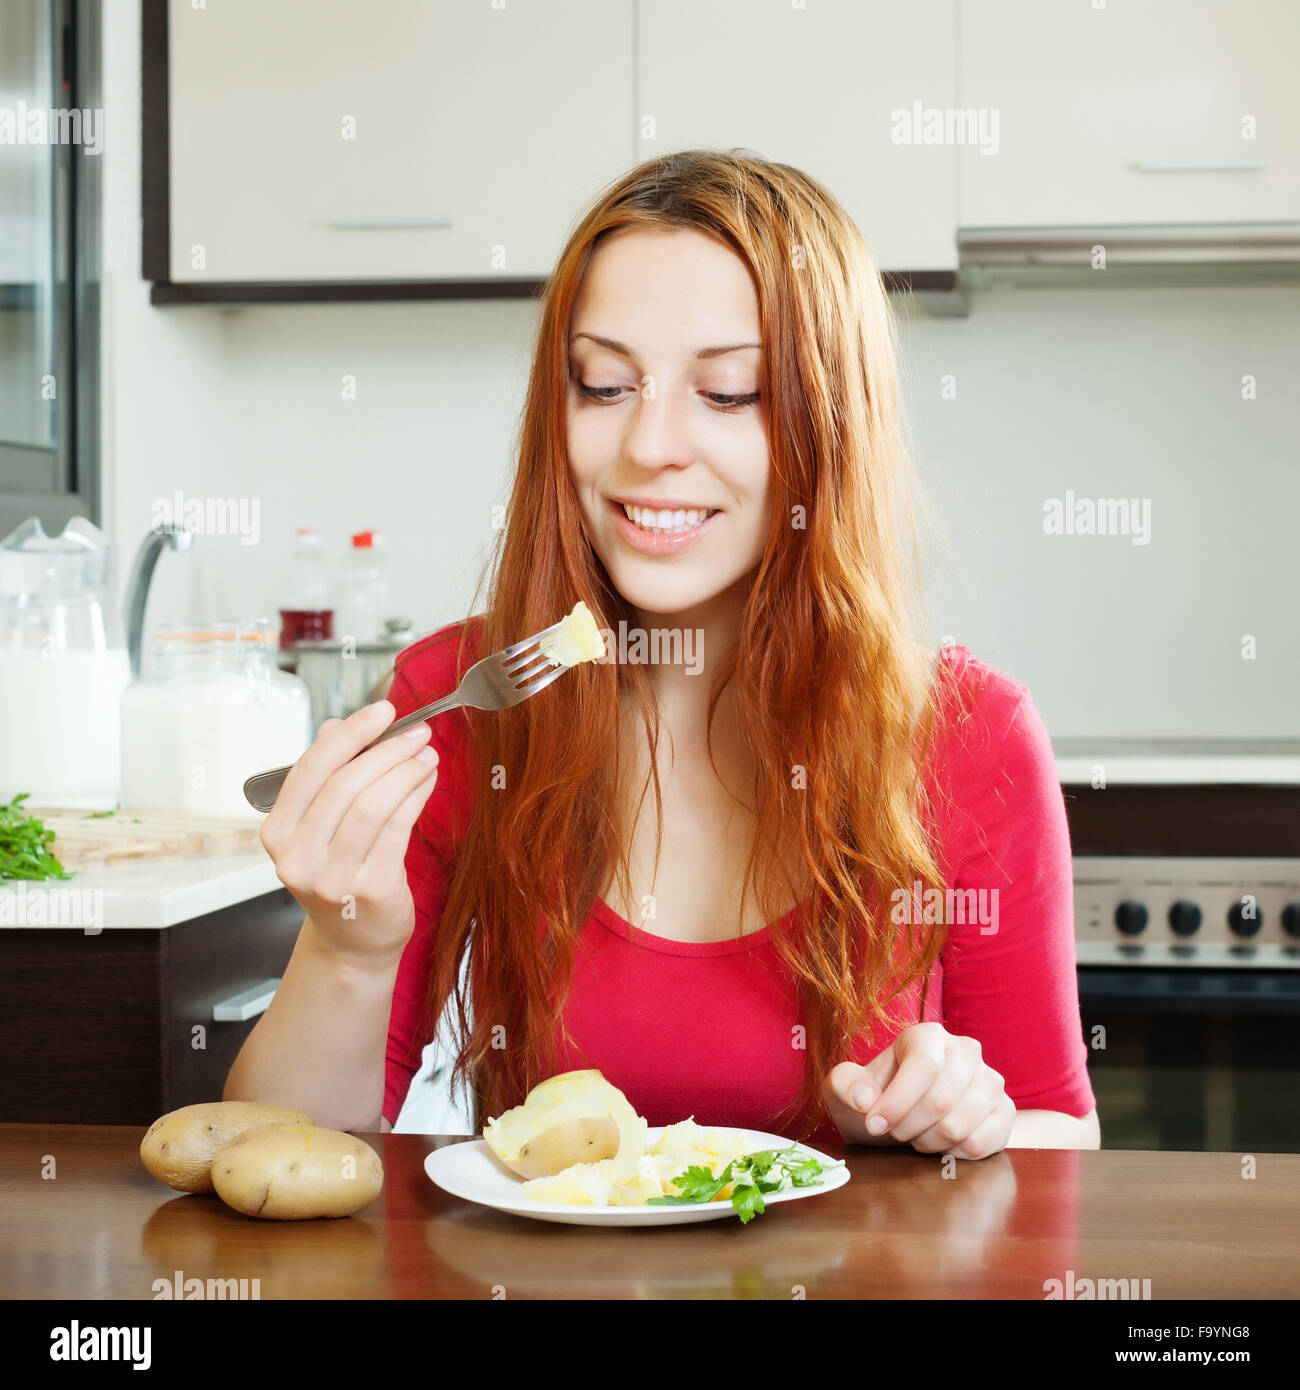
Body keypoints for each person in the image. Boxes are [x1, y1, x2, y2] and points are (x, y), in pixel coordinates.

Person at [229, 149, 1099, 1158]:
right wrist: (343, 950)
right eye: (603, 385)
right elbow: (278, 1153)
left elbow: (1057, 1141)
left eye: (727, 393)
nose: (649, 444)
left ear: (831, 425)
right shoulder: (463, 704)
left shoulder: (968, 734)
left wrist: (960, 1119)